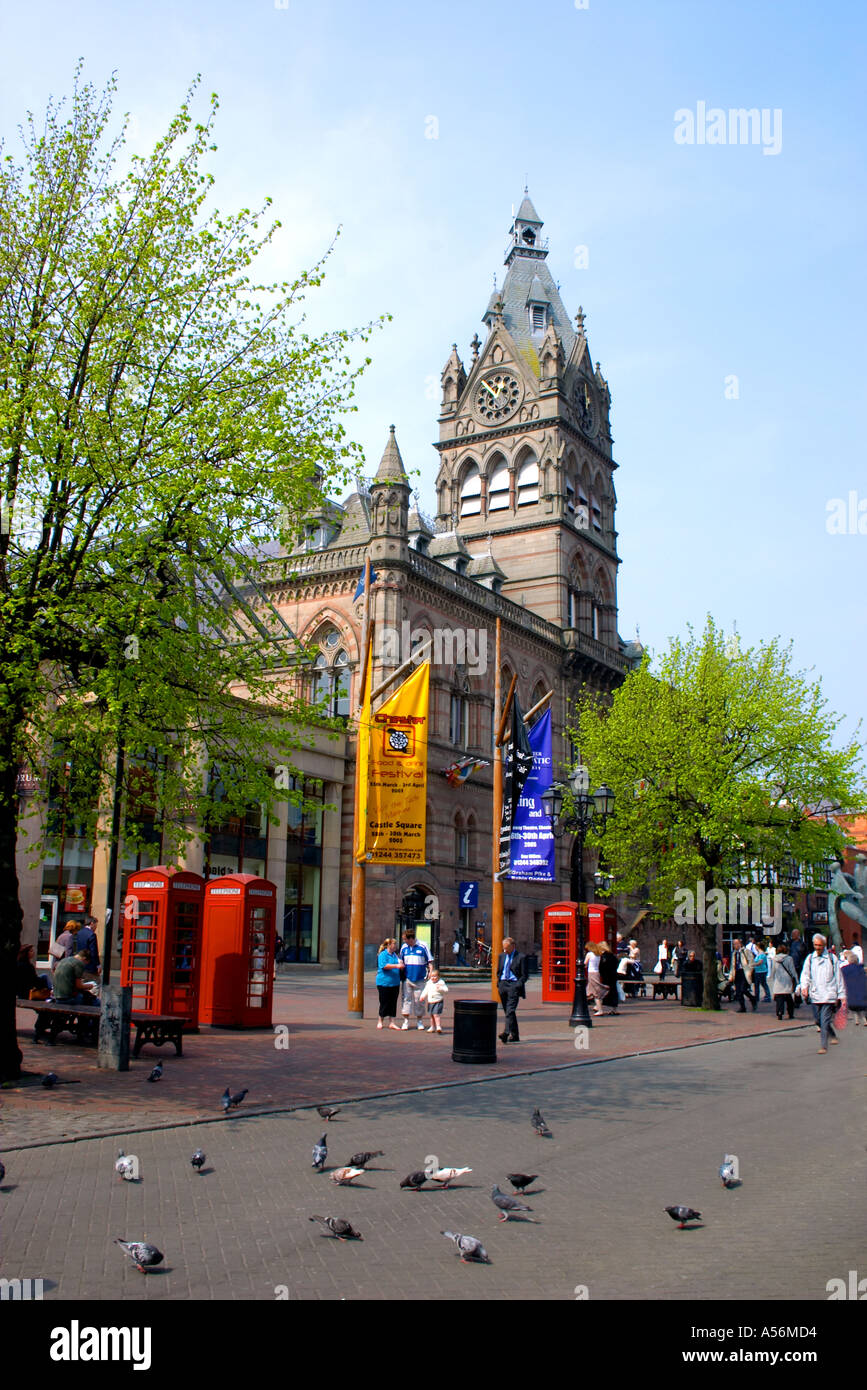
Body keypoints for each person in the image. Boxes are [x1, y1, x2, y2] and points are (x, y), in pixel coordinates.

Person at [800, 933, 845, 1053]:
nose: (817, 947)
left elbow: (838, 977)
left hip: (829, 995)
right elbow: (805, 975)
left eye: (820, 945)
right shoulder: (810, 958)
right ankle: (833, 1035)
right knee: (817, 1020)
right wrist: (804, 987)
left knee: (824, 1020)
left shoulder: (832, 958)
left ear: (824, 945)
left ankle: (823, 1045)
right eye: (815, 945)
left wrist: (841, 995)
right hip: (815, 995)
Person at [497, 936, 528, 1043]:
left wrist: (517, 985)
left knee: (510, 1011)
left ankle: (506, 1033)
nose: (505, 950)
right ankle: (515, 1035)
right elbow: (499, 971)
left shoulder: (521, 957)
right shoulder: (501, 956)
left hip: (513, 985)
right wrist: (499, 983)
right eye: (503, 948)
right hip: (503, 985)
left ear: (513, 946)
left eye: (507, 948)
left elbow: (525, 975)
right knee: (508, 1012)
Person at [399, 930, 432, 1030]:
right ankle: (406, 1021)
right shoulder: (404, 947)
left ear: (411, 939)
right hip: (407, 978)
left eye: (405, 939)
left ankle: (419, 1021)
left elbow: (429, 960)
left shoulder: (423, 945)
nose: (404, 941)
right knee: (406, 999)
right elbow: (401, 960)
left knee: (419, 1000)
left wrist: (430, 971)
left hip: (420, 978)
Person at [375, 937, 402, 1030]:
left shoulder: (395, 955)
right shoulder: (383, 954)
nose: (396, 946)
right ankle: (380, 1020)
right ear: (389, 945)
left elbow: (399, 964)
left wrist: (401, 965)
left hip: (395, 982)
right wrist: (397, 966)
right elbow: (384, 965)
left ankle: (392, 1022)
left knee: (393, 1002)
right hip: (384, 982)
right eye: (394, 944)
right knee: (384, 1002)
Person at [767, 942, 798, 1020]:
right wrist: (796, 979)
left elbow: (773, 970)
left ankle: (779, 1013)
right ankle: (790, 1013)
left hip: (778, 981)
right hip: (787, 981)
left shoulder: (774, 959)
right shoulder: (789, 958)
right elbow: (792, 970)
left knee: (779, 999)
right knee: (789, 999)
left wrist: (772, 978)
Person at [729, 938, 757, 1012]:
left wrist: (750, 971)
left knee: (743, 989)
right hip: (737, 973)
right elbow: (732, 965)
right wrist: (731, 976)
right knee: (738, 991)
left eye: (737, 943)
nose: (735, 945)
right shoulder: (734, 953)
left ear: (740, 944)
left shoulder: (746, 951)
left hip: (744, 972)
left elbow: (751, 962)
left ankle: (752, 999)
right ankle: (742, 1007)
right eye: (734, 944)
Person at [419, 969, 449, 1034]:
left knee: (436, 1014)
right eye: (432, 976)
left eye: (435, 976)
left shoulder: (441, 982)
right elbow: (425, 990)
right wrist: (422, 996)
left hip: (438, 1001)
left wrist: (440, 988)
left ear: (438, 976)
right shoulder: (429, 983)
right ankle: (432, 1027)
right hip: (430, 1001)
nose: (433, 978)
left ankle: (438, 1027)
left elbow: (446, 990)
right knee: (431, 1015)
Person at [840, 950, 866, 1025]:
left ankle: (857, 1020)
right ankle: (864, 1019)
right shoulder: (861, 969)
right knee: (862, 1007)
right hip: (861, 990)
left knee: (853, 1007)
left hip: (850, 990)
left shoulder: (844, 969)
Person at [598, 941, 620, 1014]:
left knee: (602, 992)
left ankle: (599, 1008)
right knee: (613, 991)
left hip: (606, 976)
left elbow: (601, 967)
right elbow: (617, 963)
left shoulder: (603, 956)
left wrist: (601, 973)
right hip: (613, 975)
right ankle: (614, 1009)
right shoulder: (612, 955)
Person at [584, 942, 605, 1018]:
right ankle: (596, 1006)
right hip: (597, 973)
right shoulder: (598, 954)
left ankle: (600, 1010)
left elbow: (585, 964)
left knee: (596, 992)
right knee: (591, 990)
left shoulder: (589, 954)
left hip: (591, 973)